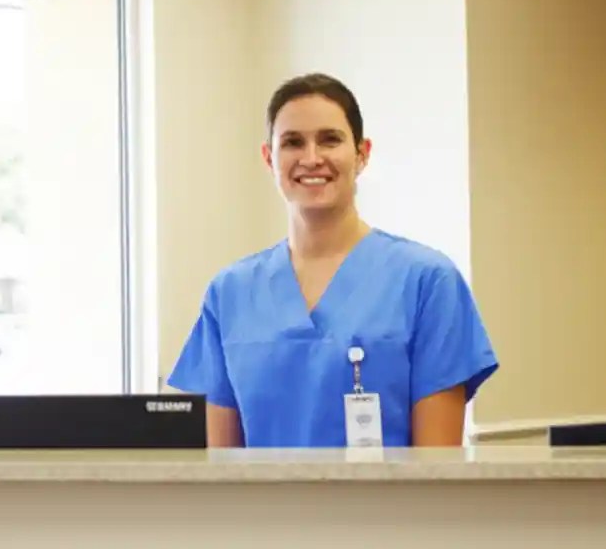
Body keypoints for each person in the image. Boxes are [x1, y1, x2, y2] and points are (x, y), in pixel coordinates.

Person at [167, 73, 498, 448]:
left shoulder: (428, 282)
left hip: (388, 508)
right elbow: (220, 473)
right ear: (268, 158)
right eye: (292, 142)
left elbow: (436, 468)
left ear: (362, 154)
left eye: (330, 139)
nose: (311, 158)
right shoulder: (229, 294)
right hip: (262, 509)